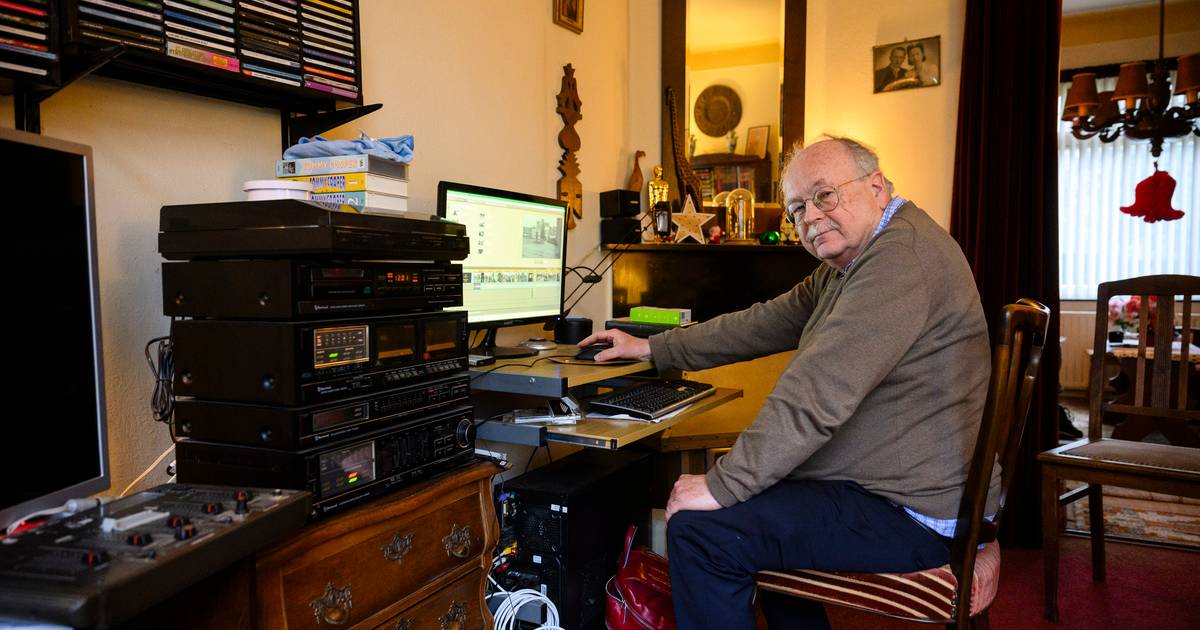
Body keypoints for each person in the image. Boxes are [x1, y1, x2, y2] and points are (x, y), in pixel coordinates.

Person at [578, 136, 994, 629]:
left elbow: (817, 393)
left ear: (877, 187)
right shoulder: (854, 262)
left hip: (911, 510)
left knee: (702, 528)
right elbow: (763, 322)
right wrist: (653, 346)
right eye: (796, 209)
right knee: (765, 493)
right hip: (902, 488)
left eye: (825, 195)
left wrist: (723, 484)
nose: (810, 217)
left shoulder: (898, 259)